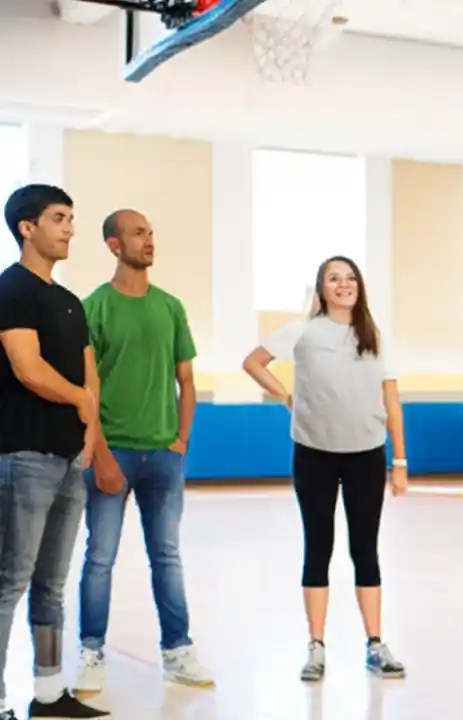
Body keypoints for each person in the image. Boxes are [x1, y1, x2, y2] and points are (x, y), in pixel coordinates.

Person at [242, 255, 410, 683]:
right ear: (321, 289)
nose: (343, 284)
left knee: (365, 550)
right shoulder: (303, 330)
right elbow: (253, 362)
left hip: (366, 455)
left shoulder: (373, 335)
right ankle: (316, 646)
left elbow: (392, 400)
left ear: (360, 286)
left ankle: (375, 644)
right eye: (334, 278)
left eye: (350, 278)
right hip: (315, 454)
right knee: (318, 548)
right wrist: (286, 397)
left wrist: (400, 460)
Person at [74, 209, 213, 695]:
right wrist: (103, 455)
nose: (149, 240)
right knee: (100, 557)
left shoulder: (171, 307)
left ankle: (178, 649)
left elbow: (187, 381)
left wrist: (180, 442)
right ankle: (90, 651)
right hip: (113, 454)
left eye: (151, 231)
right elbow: (86, 390)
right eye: (138, 233)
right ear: (114, 245)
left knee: (167, 556)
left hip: (164, 456)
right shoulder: (94, 307)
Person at [0, 184, 110, 719]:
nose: (70, 228)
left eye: (71, 217)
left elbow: (87, 367)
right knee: (10, 581)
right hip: (24, 458)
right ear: (27, 227)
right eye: (59, 218)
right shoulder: (12, 288)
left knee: (51, 584)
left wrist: (89, 430)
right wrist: (80, 400)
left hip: (70, 460)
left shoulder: (68, 300)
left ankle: (48, 695)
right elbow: (28, 366)